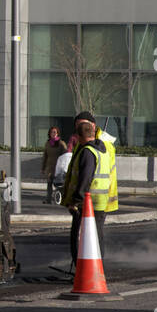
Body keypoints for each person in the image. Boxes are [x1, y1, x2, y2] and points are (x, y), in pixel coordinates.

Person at [60, 110, 118, 269]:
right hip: (99, 198)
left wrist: (76, 200)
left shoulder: (92, 147)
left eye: (82, 125)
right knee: (94, 235)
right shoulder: (96, 144)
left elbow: (86, 176)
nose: (79, 128)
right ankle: (95, 269)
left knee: (82, 236)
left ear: (92, 125)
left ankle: (85, 271)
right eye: (77, 125)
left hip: (90, 199)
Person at [40, 126, 68, 204]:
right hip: (49, 167)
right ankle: (48, 199)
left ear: (57, 133)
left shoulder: (61, 144)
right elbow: (45, 156)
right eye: (52, 132)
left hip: (59, 167)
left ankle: (60, 199)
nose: (53, 133)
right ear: (50, 133)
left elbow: (66, 155)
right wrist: (43, 168)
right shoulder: (47, 143)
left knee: (59, 184)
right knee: (49, 183)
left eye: (55, 132)